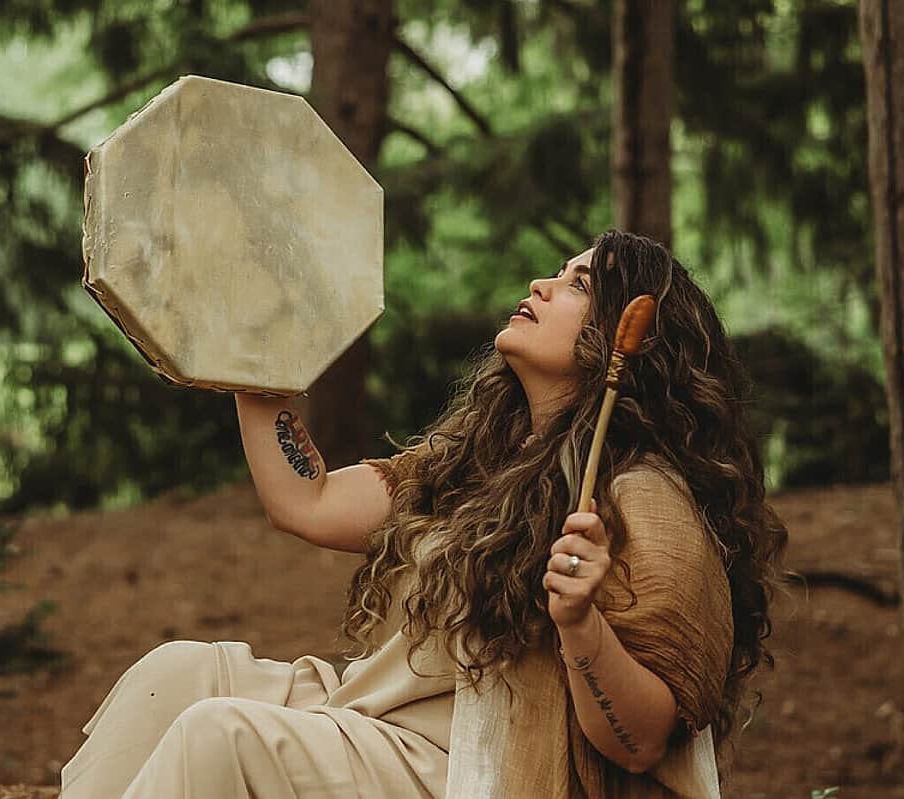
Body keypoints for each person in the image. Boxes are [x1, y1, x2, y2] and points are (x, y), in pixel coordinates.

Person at [59, 229, 789, 798]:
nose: (541, 284)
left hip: (474, 767)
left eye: (579, 284)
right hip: (376, 721)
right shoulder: (480, 456)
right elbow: (308, 500)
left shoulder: (646, 499)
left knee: (219, 736)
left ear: (630, 345)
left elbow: (642, 741)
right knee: (177, 674)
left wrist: (580, 624)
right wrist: (254, 348)